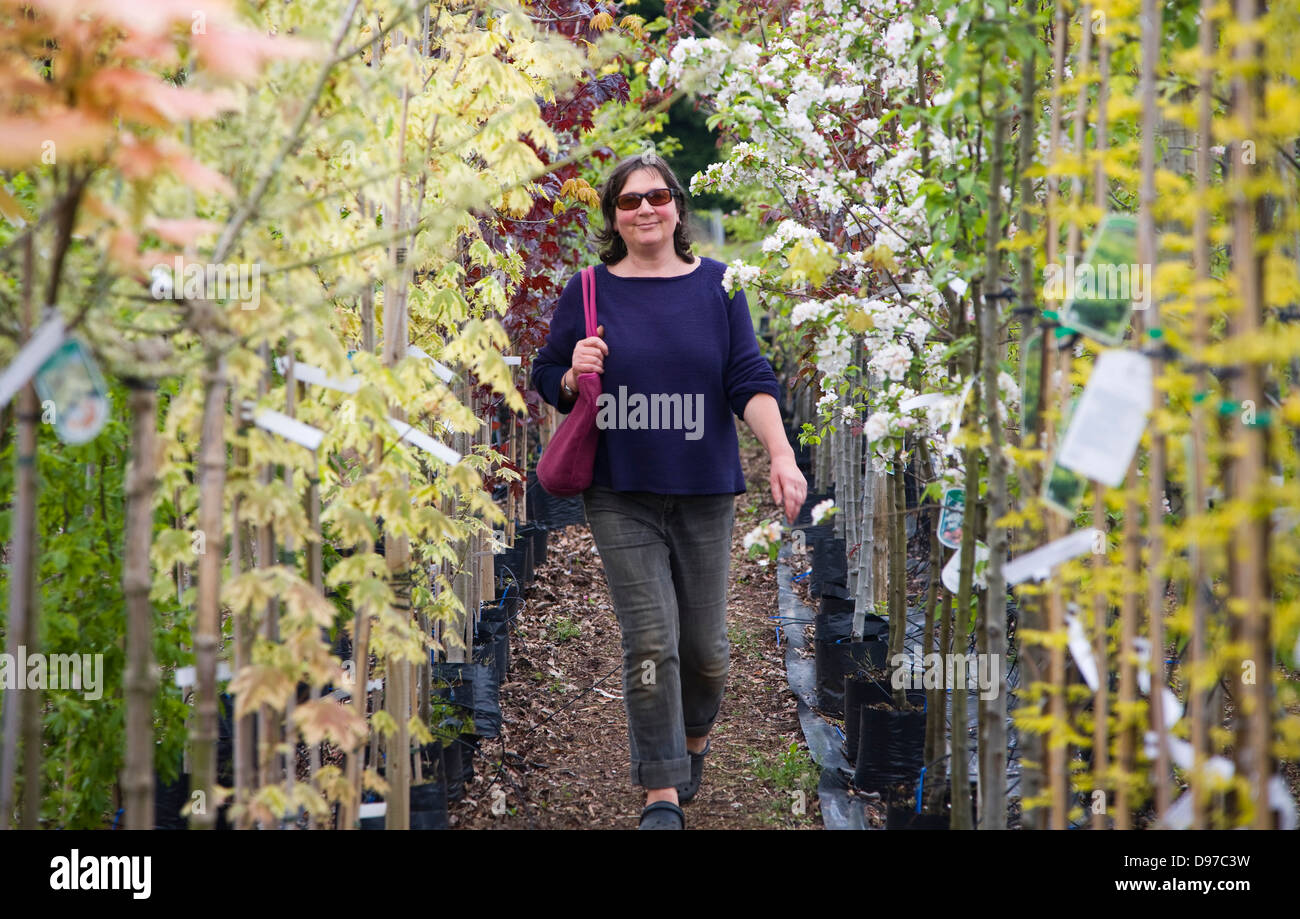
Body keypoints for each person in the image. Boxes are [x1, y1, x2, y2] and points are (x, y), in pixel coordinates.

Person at [530, 153, 806, 829]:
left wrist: (780, 452)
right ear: (614, 218)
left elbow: (748, 374)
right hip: (620, 489)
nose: (645, 209)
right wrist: (570, 373)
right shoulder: (588, 290)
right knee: (651, 640)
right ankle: (660, 789)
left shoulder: (719, 285)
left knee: (706, 650)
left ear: (677, 207)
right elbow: (545, 372)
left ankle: (693, 738)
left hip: (704, 489)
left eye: (657, 196)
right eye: (629, 201)